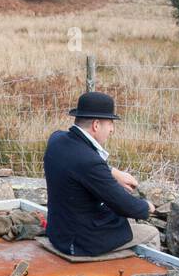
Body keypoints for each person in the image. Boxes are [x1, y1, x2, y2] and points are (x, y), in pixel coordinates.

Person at [42, 91, 157, 258]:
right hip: (79, 243)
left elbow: (78, 165)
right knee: (151, 232)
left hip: (58, 233)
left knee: (124, 220)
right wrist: (147, 207)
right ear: (96, 125)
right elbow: (124, 205)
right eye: (110, 123)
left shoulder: (56, 140)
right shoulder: (89, 162)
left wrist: (113, 172)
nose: (112, 129)